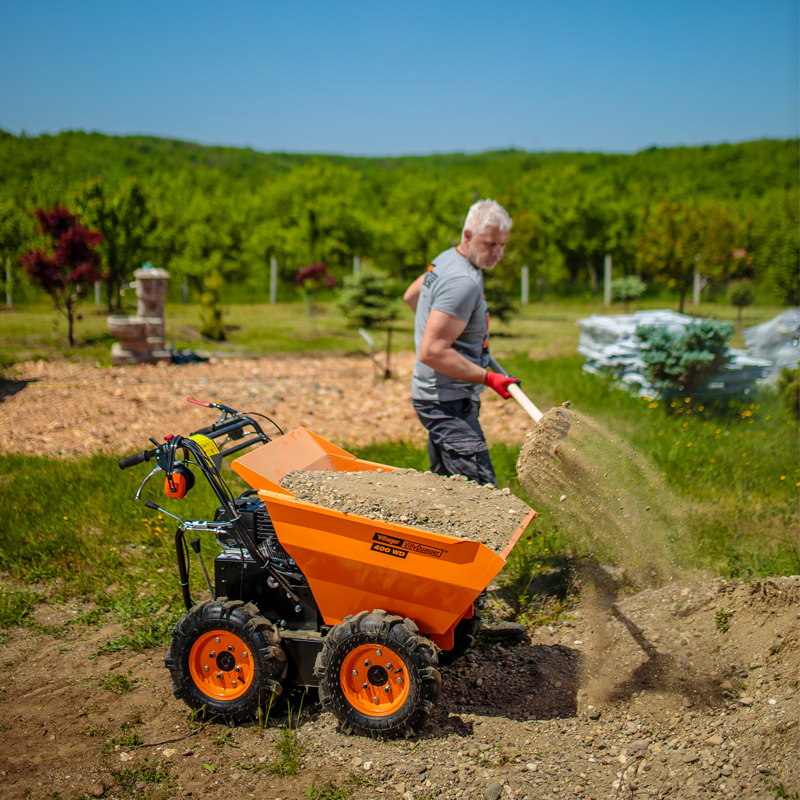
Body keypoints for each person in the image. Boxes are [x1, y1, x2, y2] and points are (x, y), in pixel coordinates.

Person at [404, 199, 519, 487]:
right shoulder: (462, 281)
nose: (498, 253)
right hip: (447, 401)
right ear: (467, 235)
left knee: (448, 491)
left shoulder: (446, 259)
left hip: (437, 395)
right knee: (481, 496)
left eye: (503, 245)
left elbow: (412, 296)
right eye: (491, 244)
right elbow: (431, 351)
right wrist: (488, 378)